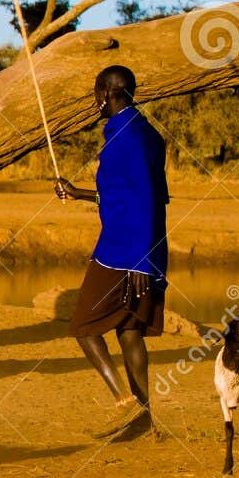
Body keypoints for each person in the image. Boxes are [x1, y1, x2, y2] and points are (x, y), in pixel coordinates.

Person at [54, 65, 169, 440]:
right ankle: (145, 420)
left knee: (84, 327)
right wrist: (79, 193)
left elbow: (145, 201)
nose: (95, 102)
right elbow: (130, 194)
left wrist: (139, 261)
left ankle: (126, 405)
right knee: (129, 331)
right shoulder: (144, 132)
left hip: (123, 252)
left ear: (107, 93)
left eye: (96, 94)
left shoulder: (128, 138)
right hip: (144, 248)